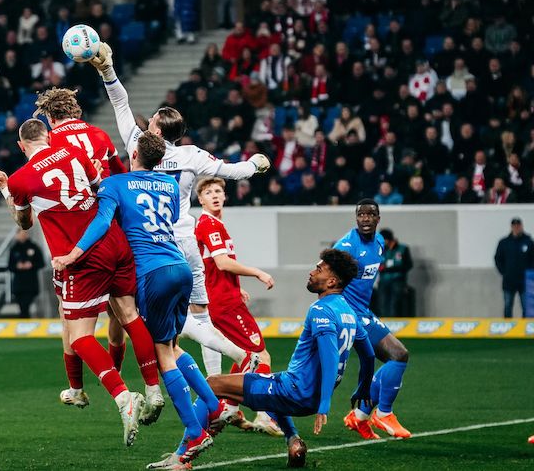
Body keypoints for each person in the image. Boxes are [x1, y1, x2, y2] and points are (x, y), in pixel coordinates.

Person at [90, 41, 271, 397]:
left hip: (151, 244)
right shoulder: (192, 154)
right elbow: (232, 171)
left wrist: (107, 70)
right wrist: (255, 164)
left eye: (153, 120)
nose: (148, 121)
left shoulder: (137, 142)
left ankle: (214, 366)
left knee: (157, 327)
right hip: (187, 242)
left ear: (156, 131)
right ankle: (220, 382)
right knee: (201, 314)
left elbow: (120, 103)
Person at [53, 132, 226, 465]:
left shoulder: (115, 184)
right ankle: (214, 406)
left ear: (133, 154)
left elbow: (103, 221)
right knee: (172, 345)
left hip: (151, 272)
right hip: (180, 266)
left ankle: (195, 430)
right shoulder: (170, 185)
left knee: (164, 355)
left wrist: (74, 253)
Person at [0, 119, 154, 444]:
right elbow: (99, 187)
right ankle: (150, 390)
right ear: (48, 137)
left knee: (79, 336)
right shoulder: (73, 152)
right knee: (129, 316)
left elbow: (24, 222)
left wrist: (4, 188)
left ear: (21, 146)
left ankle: (122, 396)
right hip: (113, 240)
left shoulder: (20, 179)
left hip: (78, 255)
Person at [177, 249, 375, 469]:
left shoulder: (321, 310)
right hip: (308, 395)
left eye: (319, 269)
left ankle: (182, 456)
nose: (312, 272)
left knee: (212, 383)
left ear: (332, 281)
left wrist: (325, 405)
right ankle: (293, 441)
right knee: (271, 381)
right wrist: (363, 388)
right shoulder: (349, 312)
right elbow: (368, 355)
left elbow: (330, 357)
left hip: (296, 392)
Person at [30, 87, 161, 418]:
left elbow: (46, 185)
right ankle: (152, 388)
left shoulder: (52, 144)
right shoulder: (100, 135)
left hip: (79, 238)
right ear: (76, 110)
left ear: (50, 117)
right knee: (126, 314)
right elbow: (120, 174)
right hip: (116, 230)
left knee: (73, 322)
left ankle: (80, 388)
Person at [192, 176, 282, 436]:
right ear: (201, 200)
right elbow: (222, 263)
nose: (215, 195)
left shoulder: (215, 224)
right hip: (224, 304)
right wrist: (257, 273)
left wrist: (235, 286)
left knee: (245, 357)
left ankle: (229, 408)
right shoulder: (209, 224)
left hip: (224, 298)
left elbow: (212, 265)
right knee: (260, 356)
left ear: (225, 196)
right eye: (208, 192)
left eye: (218, 191)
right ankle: (263, 414)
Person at [339, 200, 413, 440]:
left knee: (394, 360)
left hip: (364, 312)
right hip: (349, 315)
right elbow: (322, 274)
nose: (365, 218)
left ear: (378, 219)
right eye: (361, 214)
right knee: (398, 355)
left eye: (371, 214)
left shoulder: (380, 242)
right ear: (356, 218)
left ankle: (360, 416)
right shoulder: (347, 246)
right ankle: (383, 413)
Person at [494, 217, 534, 318]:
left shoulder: (528, 242)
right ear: (511, 227)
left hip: (524, 281)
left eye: (518, 226)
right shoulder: (504, 242)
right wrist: (504, 272)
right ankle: (507, 326)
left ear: (521, 226)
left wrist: (530, 273)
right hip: (509, 280)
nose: (516, 228)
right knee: (508, 305)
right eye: (514, 226)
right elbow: (498, 259)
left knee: (526, 307)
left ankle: (526, 326)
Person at [377, 229, 413, 317]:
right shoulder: (380, 250)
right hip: (383, 282)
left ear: (387, 239)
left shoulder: (403, 249)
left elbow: (408, 265)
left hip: (398, 282)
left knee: (395, 305)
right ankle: (385, 324)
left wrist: (393, 268)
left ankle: (395, 324)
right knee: (383, 304)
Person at [7, 229, 43, 318]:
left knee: (26, 305)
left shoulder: (34, 247)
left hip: (31, 283)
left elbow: (41, 263)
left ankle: (25, 320)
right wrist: (17, 266)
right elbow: (10, 266)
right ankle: (24, 321)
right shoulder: (14, 248)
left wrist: (31, 265)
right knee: (22, 307)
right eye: (20, 234)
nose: (22, 236)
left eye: (24, 234)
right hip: (18, 284)